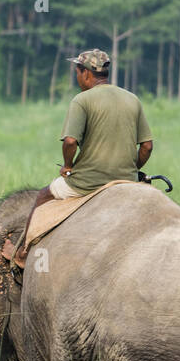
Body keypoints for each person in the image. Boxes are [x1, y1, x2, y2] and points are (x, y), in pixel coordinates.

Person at [11, 48, 154, 266]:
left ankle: (22, 253)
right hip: (127, 180)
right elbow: (147, 146)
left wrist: (67, 166)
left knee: (42, 196)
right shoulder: (132, 99)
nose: (77, 77)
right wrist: (131, 168)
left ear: (85, 73)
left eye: (77, 72)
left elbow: (70, 141)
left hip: (87, 182)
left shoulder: (82, 100)